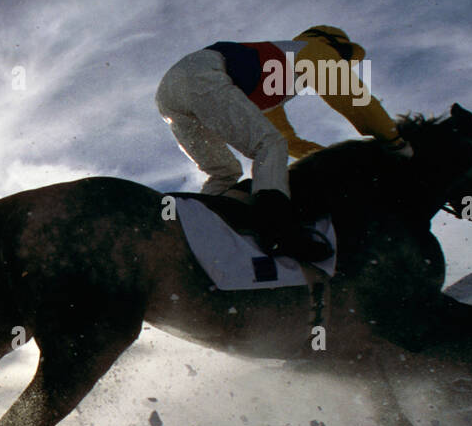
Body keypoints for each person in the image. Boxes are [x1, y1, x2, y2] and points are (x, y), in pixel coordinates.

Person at [156, 26, 413, 263]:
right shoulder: (313, 52)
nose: (343, 64)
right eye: (344, 57)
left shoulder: (273, 76)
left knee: (225, 171)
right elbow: (355, 100)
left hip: (170, 93)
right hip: (201, 75)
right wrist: (394, 141)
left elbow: (289, 141)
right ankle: (277, 231)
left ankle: (193, 229)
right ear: (330, 44)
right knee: (268, 145)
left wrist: (331, 158)